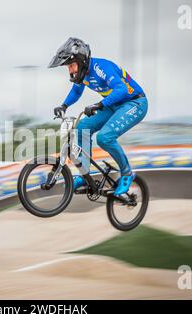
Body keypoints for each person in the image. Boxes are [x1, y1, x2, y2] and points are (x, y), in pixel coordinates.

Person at [48, 37, 148, 196]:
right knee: (81, 128)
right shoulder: (83, 73)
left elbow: (122, 90)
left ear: (81, 61)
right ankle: (85, 174)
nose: (71, 71)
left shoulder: (101, 67)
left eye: (71, 65)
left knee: (105, 137)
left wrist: (99, 104)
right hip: (114, 105)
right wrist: (64, 106)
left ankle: (127, 173)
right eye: (68, 67)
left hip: (134, 103)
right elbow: (76, 91)